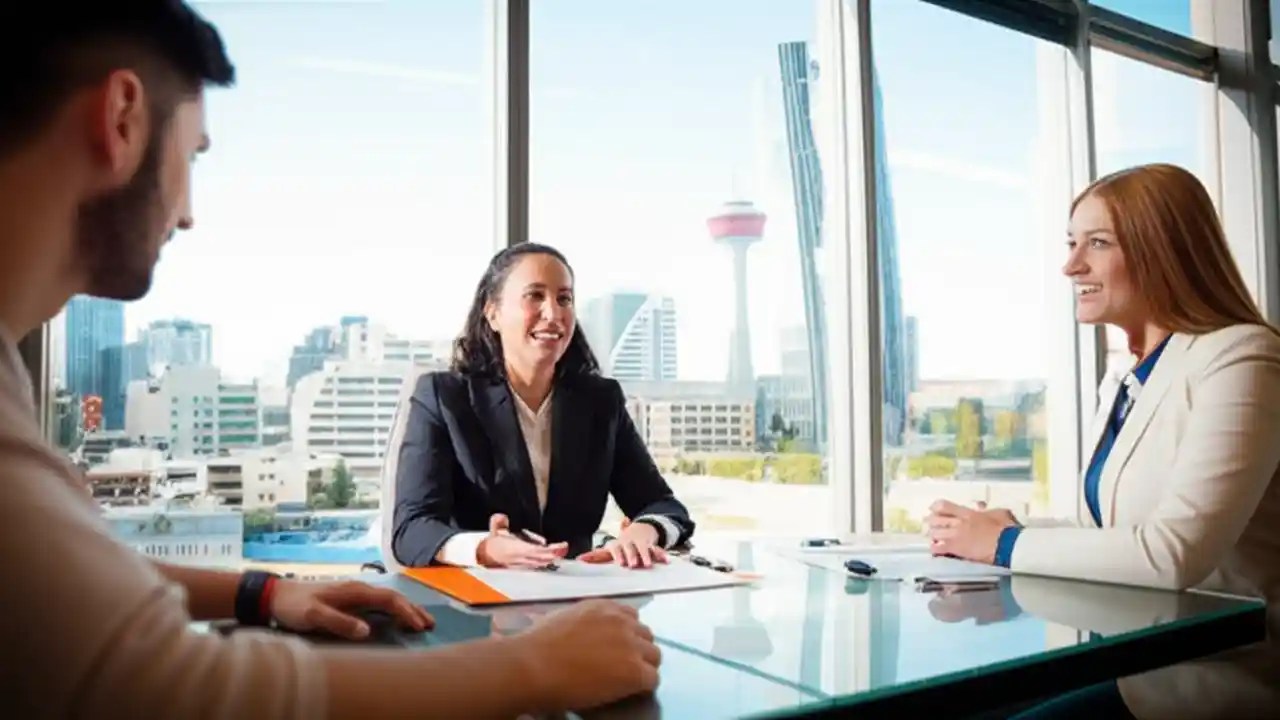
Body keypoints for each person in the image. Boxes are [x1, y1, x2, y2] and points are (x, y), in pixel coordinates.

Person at [0, 4, 661, 717]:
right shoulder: (444, 393)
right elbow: (164, 688)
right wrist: (531, 667)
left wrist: (263, 591)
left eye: (565, 298)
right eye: (192, 158)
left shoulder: (8, 375)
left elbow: (66, 584)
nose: (187, 213)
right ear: (122, 118)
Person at [925, 163, 1280, 718]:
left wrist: (1004, 545)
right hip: (1136, 668)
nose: (1071, 266)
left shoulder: (1243, 358)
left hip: (1213, 685)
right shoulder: (1126, 377)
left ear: (1162, 249)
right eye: (1071, 243)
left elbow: (1171, 554)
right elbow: (1105, 532)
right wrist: (1001, 529)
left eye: (1097, 243)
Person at [385, 243, 695, 570]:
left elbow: (664, 506)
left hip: (576, 593)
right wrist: (485, 548)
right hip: (477, 593)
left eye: (564, 299)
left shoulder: (600, 401)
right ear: (493, 313)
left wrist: (644, 531)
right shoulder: (443, 396)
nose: (553, 313)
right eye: (535, 296)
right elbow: (411, 530)